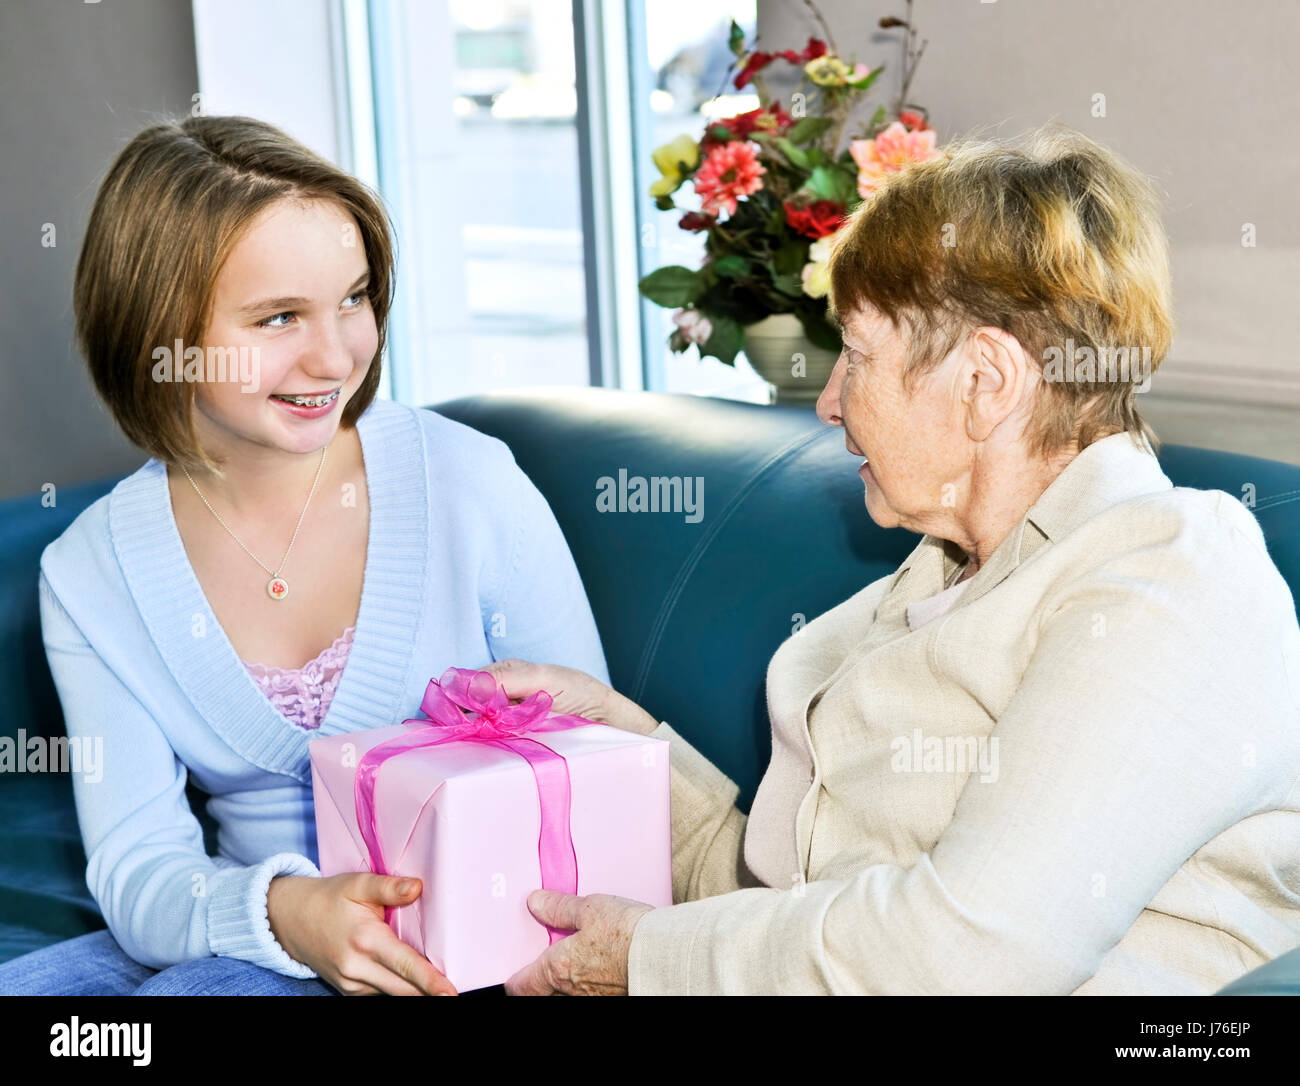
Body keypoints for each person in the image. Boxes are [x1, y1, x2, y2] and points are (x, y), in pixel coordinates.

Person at [484, 125, 1300, 995]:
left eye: (859, 356)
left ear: (986, 381)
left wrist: (648, 960)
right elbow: (782, 911)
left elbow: (971, 954)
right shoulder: (934, 577)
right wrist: (618, 739)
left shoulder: (1168, 574)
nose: (830, 402)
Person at [0, 115, 608, 997]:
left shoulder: (468, 483)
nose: (335, 356)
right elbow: (139, 870)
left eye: (354, 299)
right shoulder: (92, 574)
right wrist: (288, 913)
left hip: (481, 940)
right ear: (154, 331)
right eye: (278, 316)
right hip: (255, 931)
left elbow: (592, 757)